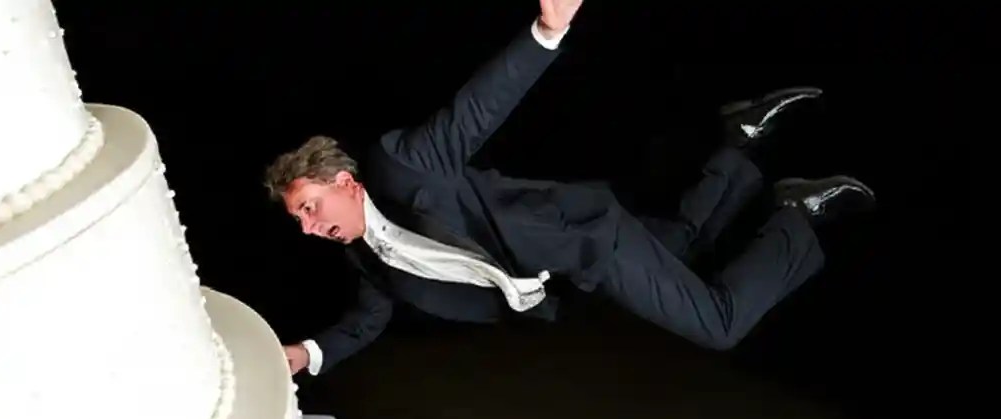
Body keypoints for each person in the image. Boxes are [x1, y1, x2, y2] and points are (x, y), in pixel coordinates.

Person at [263, 0, 875, 377]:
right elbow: (367, 321)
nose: (311, 227)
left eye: (311, 209)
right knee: (684, 241)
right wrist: (308, 353)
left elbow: (472, 112)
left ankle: (795, 213)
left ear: (344, 182)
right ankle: (737, 141)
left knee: (717, 323)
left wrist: (544, 32)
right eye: (301, 223)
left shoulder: (404, 166)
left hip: (587, 243)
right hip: (573, 265)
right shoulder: (366, 259)